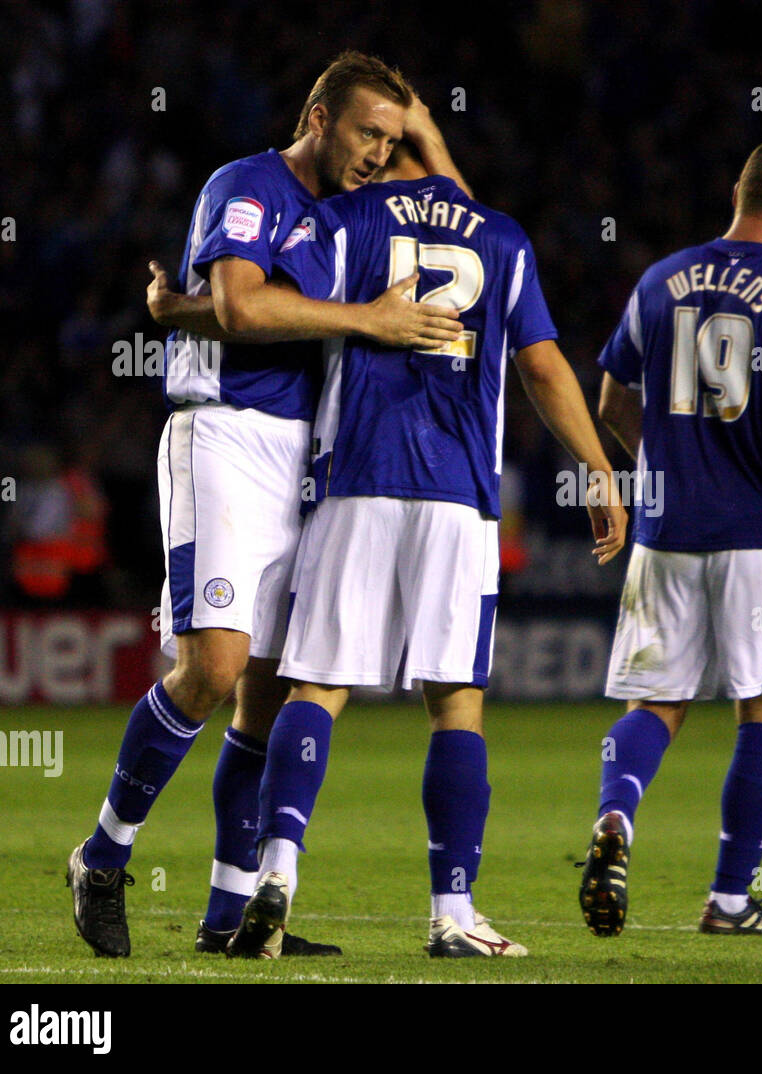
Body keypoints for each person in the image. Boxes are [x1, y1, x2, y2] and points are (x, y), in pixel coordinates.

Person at [67, 52, 468, 959]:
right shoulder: (246, 184)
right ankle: (103, 853)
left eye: (392, 140)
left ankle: (230, 916)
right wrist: (370, 320)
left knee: (270, 695)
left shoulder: (354, 213)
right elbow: (245, 307)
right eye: (369, 132)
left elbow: (465, 220)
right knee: (212, 667)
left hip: (306, 456)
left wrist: (427, 134)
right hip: (223, 440)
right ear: (318, 117)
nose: (378, 153)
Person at [222, 146, 628, 959]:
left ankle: (277, 870)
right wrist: (599, 468)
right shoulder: (503, 236)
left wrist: (183, 308)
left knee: (318, 687)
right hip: (458, 492)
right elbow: (543, 367)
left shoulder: (344, 218)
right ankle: (452, 912)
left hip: (355, 478)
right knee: (455, 703)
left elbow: (260, 301)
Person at [578, 134, 762, 937]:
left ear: (738, 190)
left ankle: (616, 816)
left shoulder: (659, 280)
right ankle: (730, 898)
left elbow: (610, 401)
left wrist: (660, 465)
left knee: (655, 702)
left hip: (666, 532)